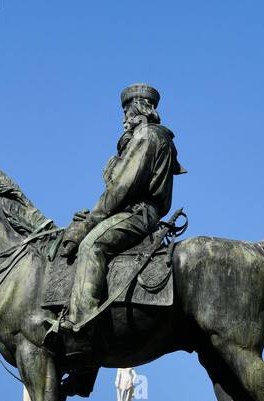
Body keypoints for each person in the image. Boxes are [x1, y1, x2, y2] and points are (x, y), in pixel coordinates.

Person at [58, 84, 185, 333]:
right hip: (132, 211)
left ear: (139, 110)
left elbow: (121, 189)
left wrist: (89, 222)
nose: (124, 120)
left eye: (127, 113)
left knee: (91, 245)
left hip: (138, 214)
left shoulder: (147, 135)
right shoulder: (144, 138)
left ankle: (82, 321)